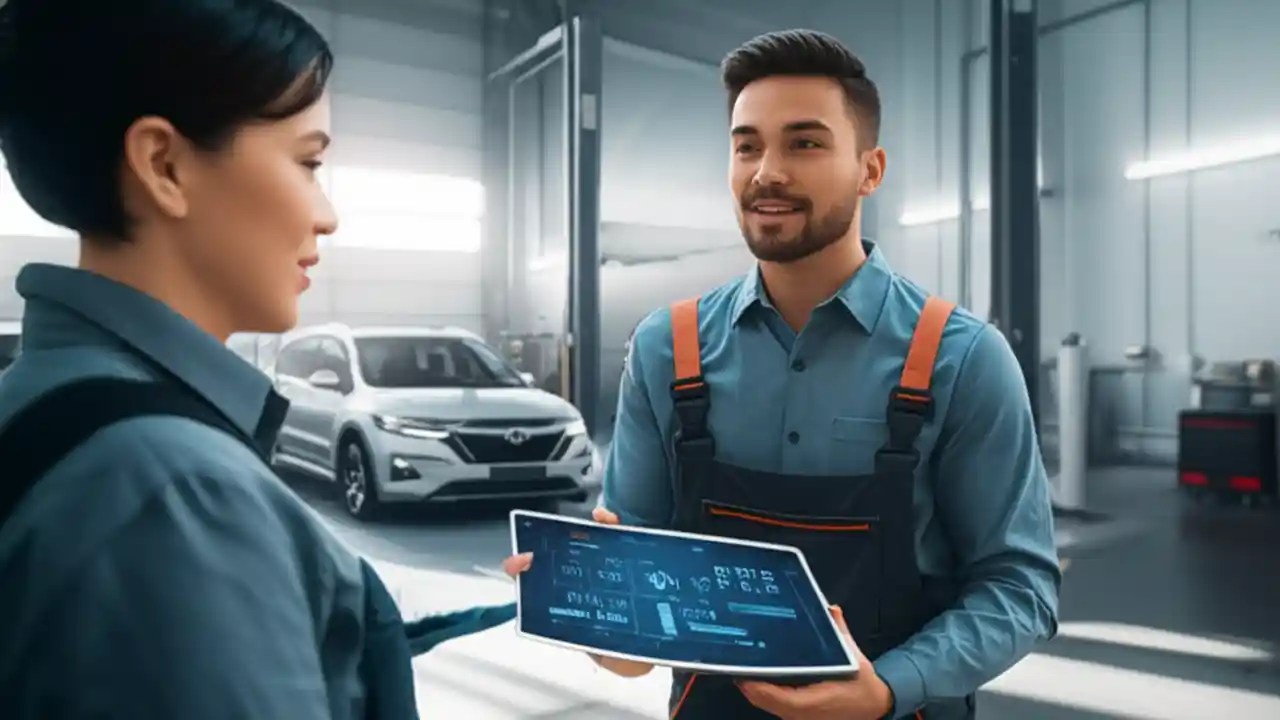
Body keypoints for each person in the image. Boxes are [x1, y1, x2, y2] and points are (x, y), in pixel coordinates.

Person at [510, 28, 1061, 719]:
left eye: (805, 142)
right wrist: (599, 617)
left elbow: (1020, 587)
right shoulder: (664, 349)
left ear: (870, 169)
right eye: (747, 145)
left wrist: (889, 687)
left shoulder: (962, 358)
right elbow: (637, 603)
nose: (767, 170)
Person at [0, 2, 521, 718]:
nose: (328, 214)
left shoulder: (46, 407)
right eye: (308, 162)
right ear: (164, 165)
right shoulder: (179, 496)